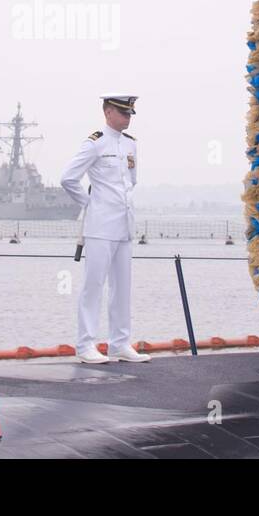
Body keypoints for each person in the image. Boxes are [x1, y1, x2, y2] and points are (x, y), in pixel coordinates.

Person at [60, 93, 150, 364]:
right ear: (108, 112)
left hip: (124, 224)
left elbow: (130, 182)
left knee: (122, 287)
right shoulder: (95, 143)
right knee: (93, 285)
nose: (127, 118)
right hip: (99, 225)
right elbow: (68, 178)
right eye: (123, 113)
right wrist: (91, 203)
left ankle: (120, 343)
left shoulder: (131, 145)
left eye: (130, 114)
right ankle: (86, 344)